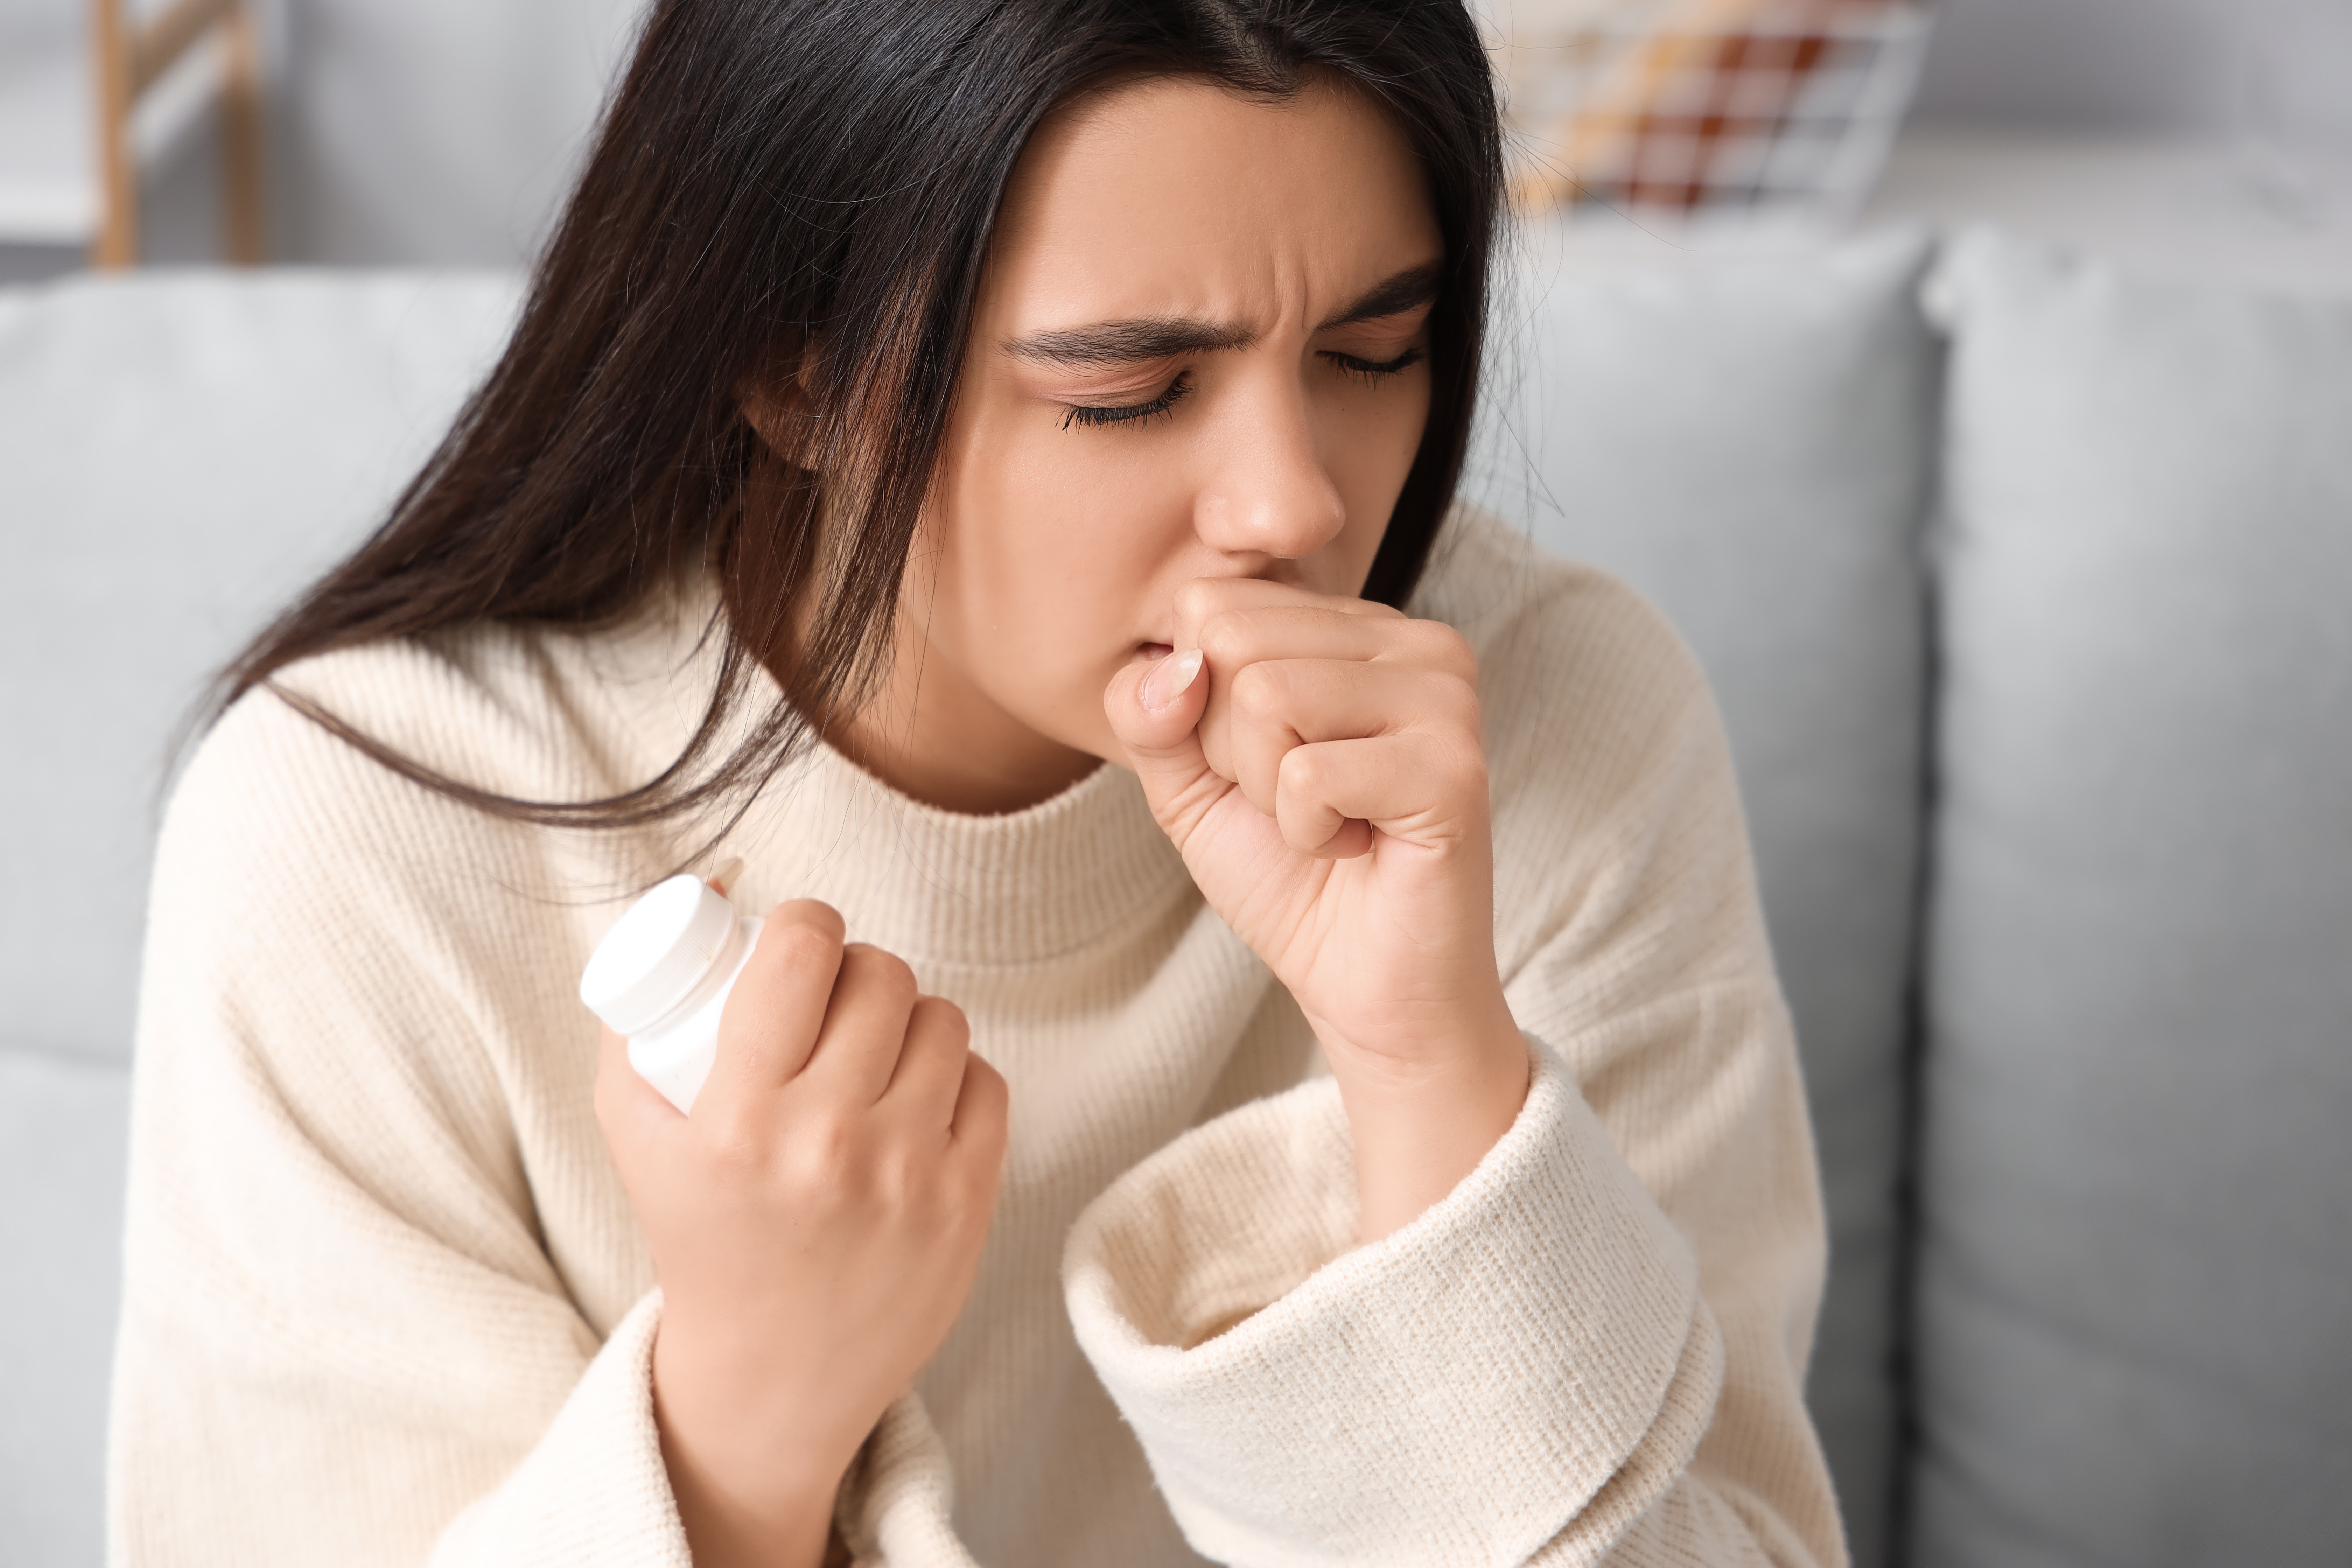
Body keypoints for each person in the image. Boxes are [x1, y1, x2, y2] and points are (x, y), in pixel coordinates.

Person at [108, 2, 1844, 1564]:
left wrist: (1433, 1082)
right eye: (1138, 390)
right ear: (795, 363)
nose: (1294, 506)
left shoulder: (1547, 730)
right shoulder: (367, 831)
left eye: (1370, 356)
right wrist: (740, 1427)